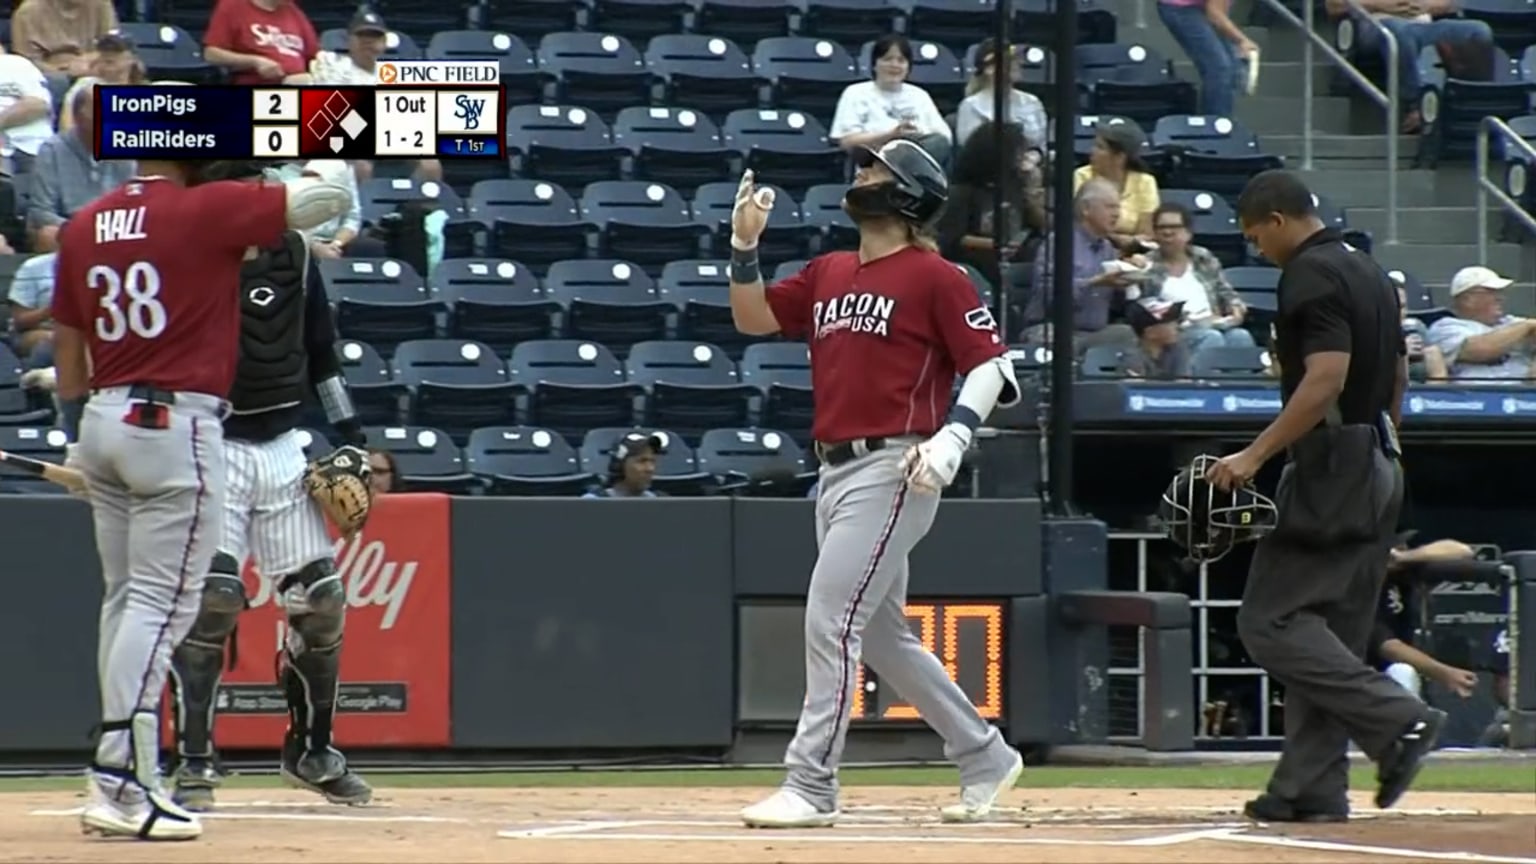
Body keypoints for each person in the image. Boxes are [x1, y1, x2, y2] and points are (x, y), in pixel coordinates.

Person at [48, 161, 352, 841]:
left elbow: (69, 369)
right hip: (176, 426)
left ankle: (115, 780)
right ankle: (126, 778)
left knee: (127, 602)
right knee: (166, 606)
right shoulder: (200, 209)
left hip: (103, 418)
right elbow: (324, 197)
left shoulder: (85, 223)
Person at [726, 140, 1025, 828]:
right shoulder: (829, 270)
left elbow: (992, 367)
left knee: (832, 617)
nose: (859, 175)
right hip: (835, 468)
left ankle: (811, 784)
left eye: (874, 169)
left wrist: (954, 434)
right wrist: (745, 247)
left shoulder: (937, 277)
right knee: (885, 635)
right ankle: (983, 753)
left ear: (907, 193)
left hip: (897, 464)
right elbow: (753, 317)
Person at [1205, 169, 1445, 824]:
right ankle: (1309, 787)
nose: (1257, 250)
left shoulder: (1307, 273)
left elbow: (1325, 376)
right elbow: (1396, 369)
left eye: (1257, 238)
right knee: (1329, 632)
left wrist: (1255, 455)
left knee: (1269, 620)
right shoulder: (1368, 268)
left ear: (1278, 220)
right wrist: (1382, 444)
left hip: (1333, 460)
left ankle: (1400, 721)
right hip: (1380, 455)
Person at [166, 162, 373, 812]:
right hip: (211, 441)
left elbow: (322, 352)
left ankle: (311, 750)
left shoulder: (298, 256)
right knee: (217, 599)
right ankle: (195, 760)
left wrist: (351, 434)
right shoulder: (187, 257)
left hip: (283, 445)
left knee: (323, 598)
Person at [309, 10, 442, 184]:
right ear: (349, 40)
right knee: (361, 164)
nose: (368, 42)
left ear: (385, 42)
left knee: (430, 165)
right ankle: (361, 209)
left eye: (374, 37)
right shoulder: (333, 67)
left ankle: (412, 208)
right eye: (361, 36)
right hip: (341, 136)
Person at [934, 121, 1045, 307]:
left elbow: (1041, 226)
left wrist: (1032, 195)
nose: (1022, 158)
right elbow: (950, 239)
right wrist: (994, 245)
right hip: (976, 266)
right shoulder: (961, 193)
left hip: (1014, 263)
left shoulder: (1015, 186)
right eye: (1019, 152)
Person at [1022, 178, 1139, 354]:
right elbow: (1047, 294)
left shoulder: (1108, 249)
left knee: (1127, 334)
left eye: (1118, 207)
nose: (1117, 214)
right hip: (1053, 330)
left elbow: (1116, 306)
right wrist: (1094, 282)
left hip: (1094, 335)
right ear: (1086, 209)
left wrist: (1129, 280)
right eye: (1110, 207)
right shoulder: (1059, 242)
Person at [29, 78, 137, 252]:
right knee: (47, 234)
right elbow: (41, 211)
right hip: (70, 227)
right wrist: (83, 229)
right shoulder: (52, 150)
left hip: (116, 229)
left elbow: (136, 202)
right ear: (77, 116)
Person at [1145, 202, 1256, 356]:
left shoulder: (1202, 257)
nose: (1167, 232)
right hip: (1177, 332)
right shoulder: (1147, 265)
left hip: (1213, 324)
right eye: (1161, 228)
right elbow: (1147, 308)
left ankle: (1242, 380)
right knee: (1211, 338)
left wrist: (1235, 307)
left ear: (1188, 233)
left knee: (1240, 337)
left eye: (1174, 227)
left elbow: (1225, 291)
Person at [829, 34, 953, 167]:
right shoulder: (855, 93)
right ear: (874, 65)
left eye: (901, 60)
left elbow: (944, 139)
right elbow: (847, 142)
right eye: (887, 59)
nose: (894, 65)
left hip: (918, 162)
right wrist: (891, 135)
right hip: (874, 163)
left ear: (908, 67)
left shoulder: (919, 95)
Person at [1425, 266, 1533, 381]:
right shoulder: (1445, 328)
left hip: (1524, 395)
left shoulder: (1511, 322)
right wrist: (1527, 326)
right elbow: (1482, 349)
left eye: (1500, 292)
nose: (1500, 298)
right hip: (1476, 395)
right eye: (1492, 292)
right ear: (1467, 299)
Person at [1157, 0, 1257, 120]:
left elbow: (1219, 12)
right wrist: (1242, 40)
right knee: (1219, 68)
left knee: (1232, 67)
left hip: (1200, 8)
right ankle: (1215, 127)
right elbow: (1215, 14)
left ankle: (1223, 122)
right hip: (1179, 8)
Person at [1072, 121, 1160, 245]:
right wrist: (1119, 240)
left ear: (1120, 157)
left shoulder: (1145, 182)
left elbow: (1146, 234)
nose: (1092, 151)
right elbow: (1081, 225)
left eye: (1100, 147)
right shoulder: (1081, 176)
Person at [954, 39, 1047, 152]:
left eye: (1017, 60)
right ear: (989, 69)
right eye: (1010, 60)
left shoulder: (1032, 102)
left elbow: (1041, 145)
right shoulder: (972, 106)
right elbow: (973, 153)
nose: (1018, 64)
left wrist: (1035, 157)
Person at [203, 0, 318, 86]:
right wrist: (255, 62)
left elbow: (314, 56)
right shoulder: (233, 6)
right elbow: (211, 54)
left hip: (298, 81)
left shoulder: (293, 11)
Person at [1123, 298, 1192, 380]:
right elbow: (1136, 389)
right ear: (1150, 333)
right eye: (1169, 323)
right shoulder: (1132, 356)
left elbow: (1184, 385)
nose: (1178, 327)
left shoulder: (1179, 349)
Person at [582, 432, 662, 499]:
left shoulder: (661, 503)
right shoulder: (593, 502)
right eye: (642, 461)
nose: (650, 468)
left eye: (652, 461)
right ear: (619, 465)